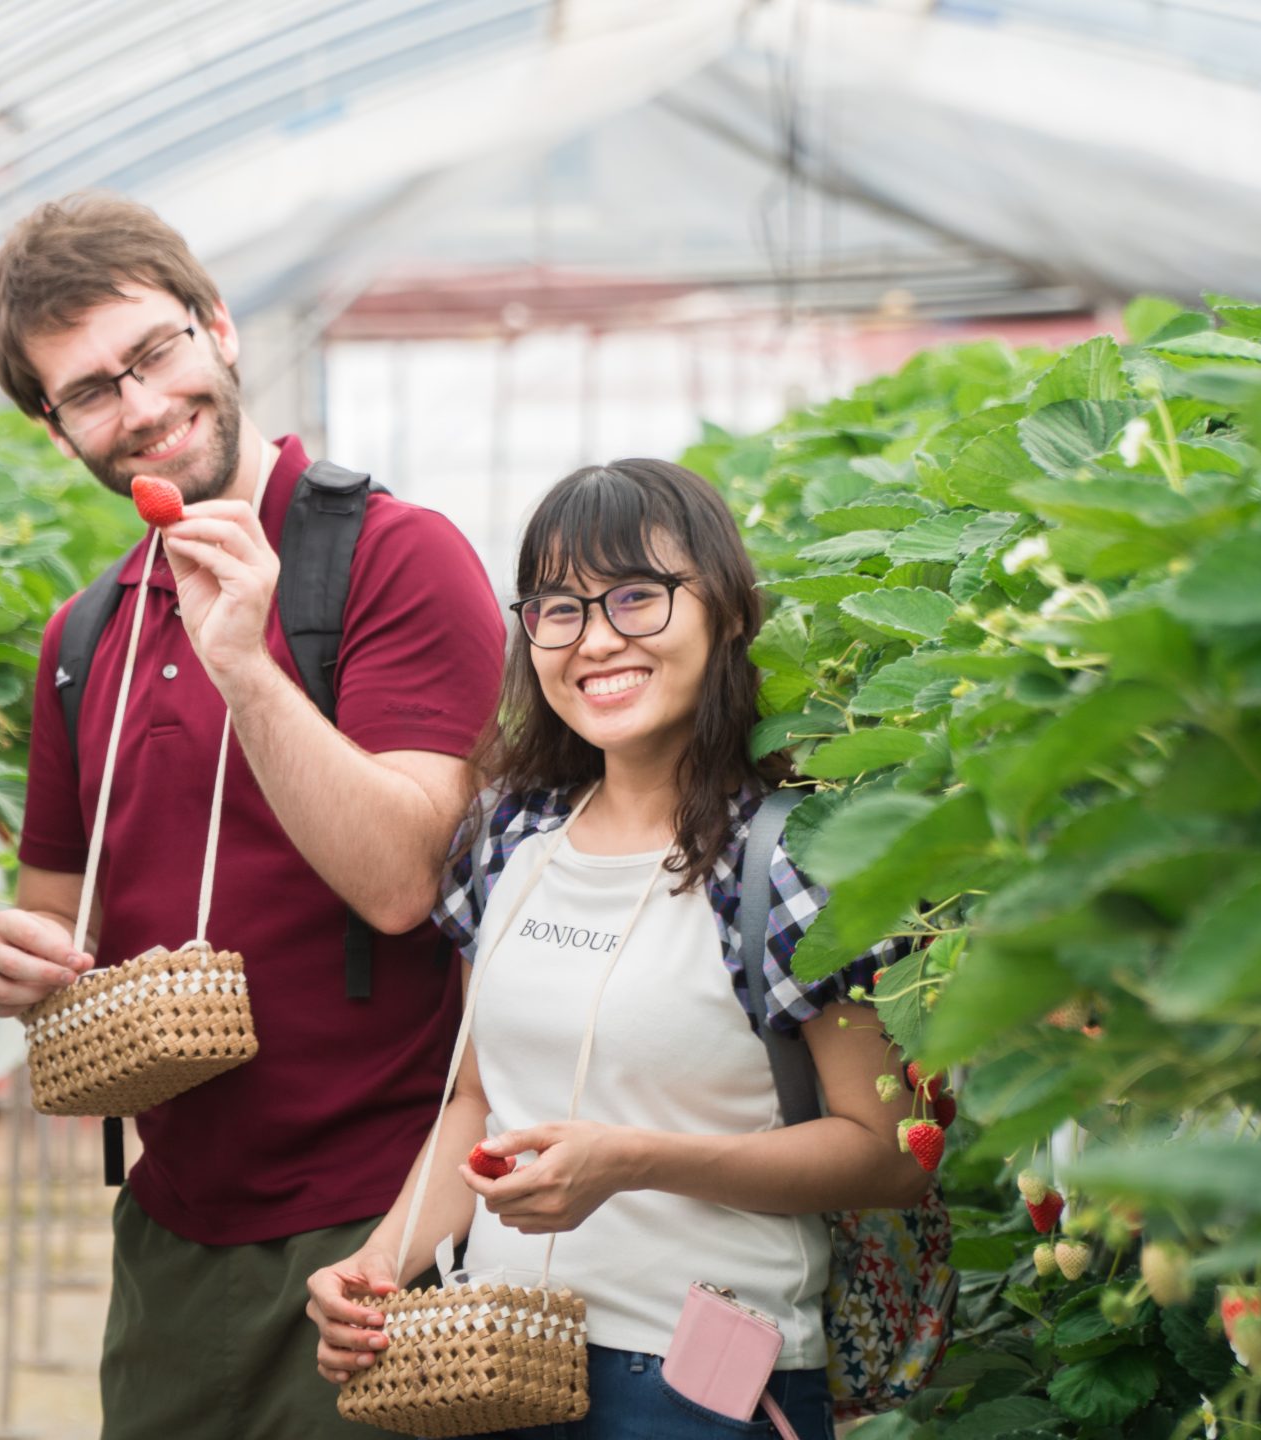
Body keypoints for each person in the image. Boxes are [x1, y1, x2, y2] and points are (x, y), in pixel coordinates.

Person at [0, 193, 507, 1440]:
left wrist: (249, 667)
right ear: (60, 435)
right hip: (170, 1233)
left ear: (219, 329)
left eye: (153, 353)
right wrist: (12, 965)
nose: (142, 406)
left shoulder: (393, 559)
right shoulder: (84, 633)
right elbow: (55, 921)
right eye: (90, 391)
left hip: (372, 1240)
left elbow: (406, 880)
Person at [305, 458, 933, 1440]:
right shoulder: (509, 837)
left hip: (705, 1384)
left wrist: (634, 1161)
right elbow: (478, 1101)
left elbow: (890, 1155)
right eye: (558, 610)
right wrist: (383, 1261)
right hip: (498, 1363)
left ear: (726, 609)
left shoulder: (793, 855)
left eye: (637, 597)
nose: (596, 640)